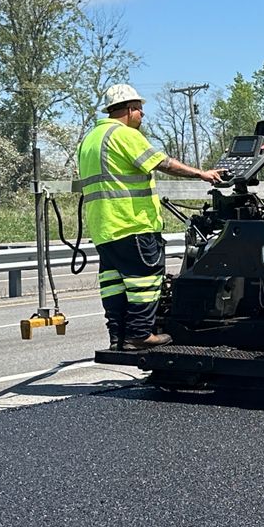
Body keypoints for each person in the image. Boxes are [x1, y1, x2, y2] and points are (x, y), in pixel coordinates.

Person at [78, 84, 224, 351]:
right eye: (140, 110)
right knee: (145, 280)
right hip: (132, 223)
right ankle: (140, 334)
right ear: (130, 109)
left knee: (115, 284)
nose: (143, 116)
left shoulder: (90, 139)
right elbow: (163, 163)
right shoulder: (124, 134)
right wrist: (201, 173)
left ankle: (118, 337)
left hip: (103, 228)